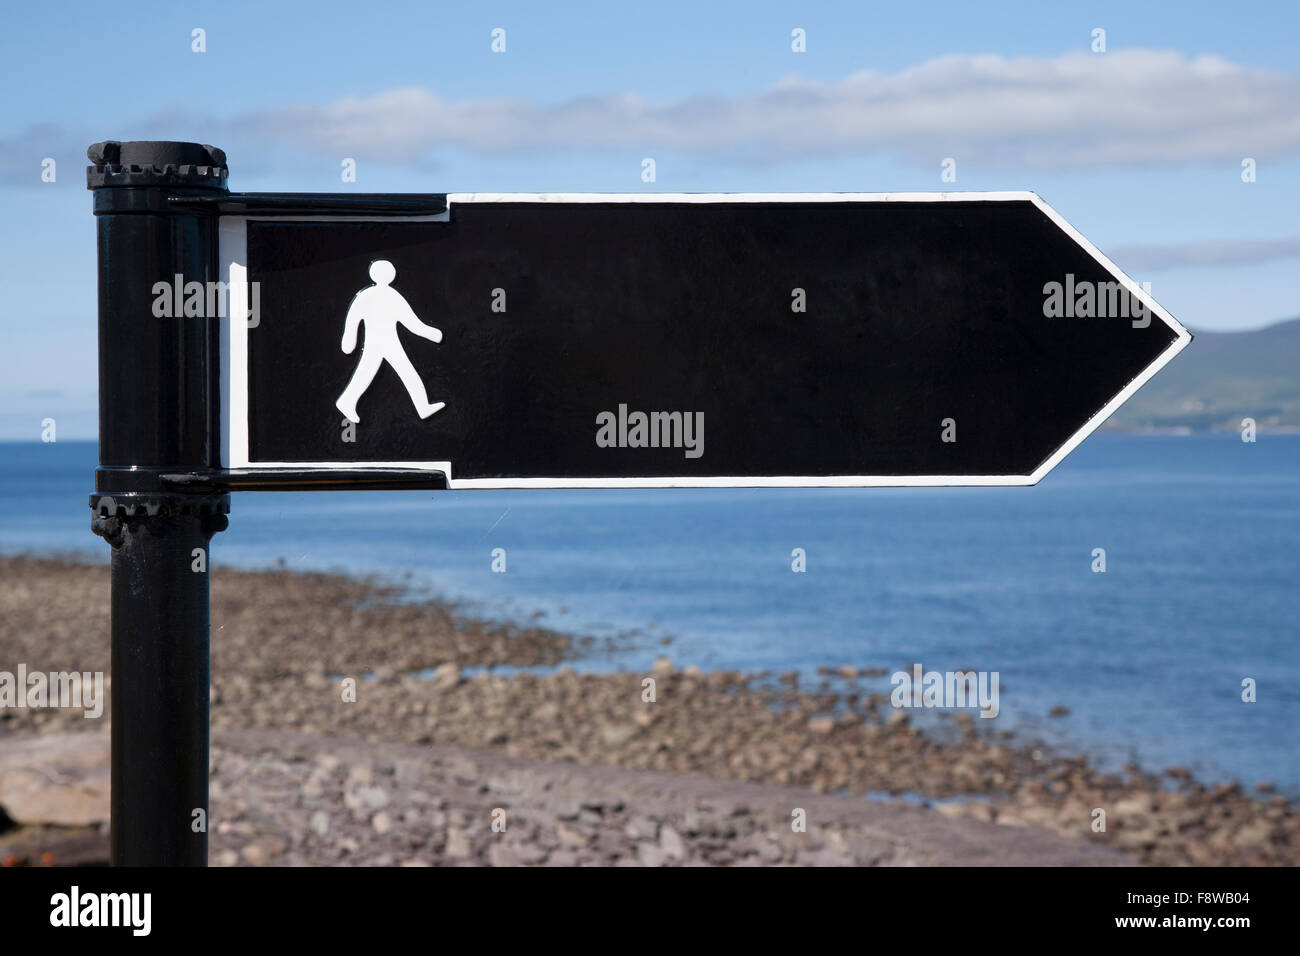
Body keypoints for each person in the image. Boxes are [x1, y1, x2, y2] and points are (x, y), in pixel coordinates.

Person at [335, 260, 445, 424]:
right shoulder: (390, 295)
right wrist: (431, 334)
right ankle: (347, 401)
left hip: (384, 343)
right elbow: (412, 323)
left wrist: (349, 339)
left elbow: (353, 320)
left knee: (383, 373)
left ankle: (422, 407)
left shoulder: (370, 296)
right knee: (403, 373)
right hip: (383, 344)